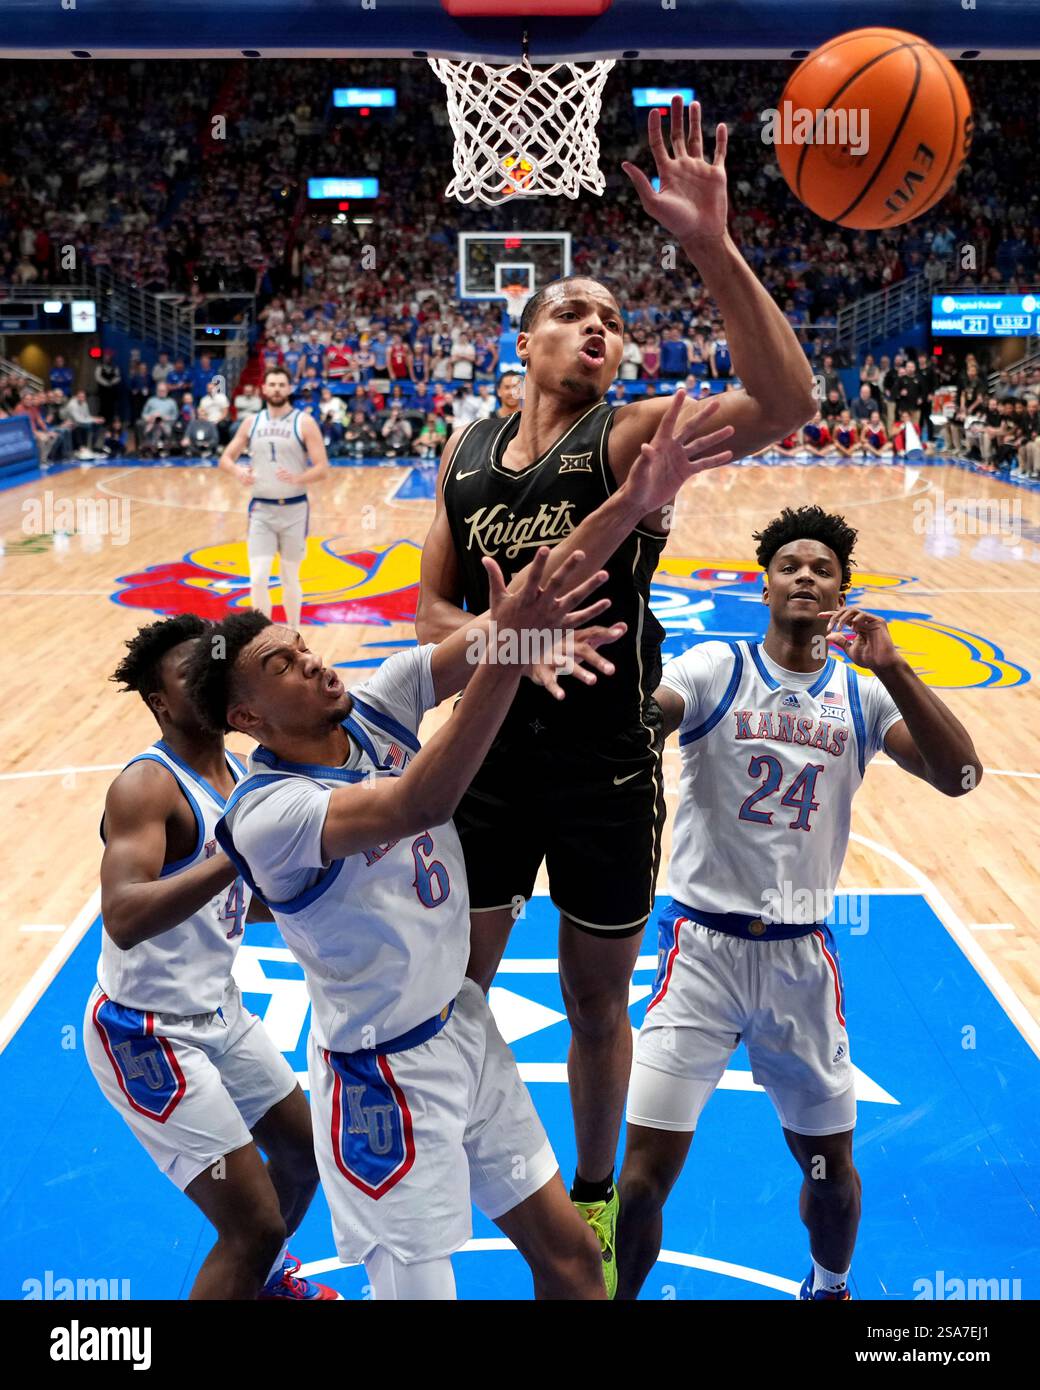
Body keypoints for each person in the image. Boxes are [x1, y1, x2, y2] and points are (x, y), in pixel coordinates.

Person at [415, 99, 814, 1294]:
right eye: (572, 313)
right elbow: (428, 617)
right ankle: (442, 1174)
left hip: (603, 768)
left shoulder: (636, 434)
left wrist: (710, 244)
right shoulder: (466, 452)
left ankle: (587, 1197)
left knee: (595, 995)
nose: (597, 328)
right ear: (523, 340)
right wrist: (503, 638)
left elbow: (784, 401)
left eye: (613, 321)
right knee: (455, 989)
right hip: (481, 762)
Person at [190, 554, 622, 1300]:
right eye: (283, 666)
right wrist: (510, 654)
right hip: (381, 1081)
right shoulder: (266, 814)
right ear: (248, 719)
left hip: (463, 1029)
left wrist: (634, 497)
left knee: (576, 1265)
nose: (313, 662)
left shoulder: (375, 704)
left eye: (303, 646)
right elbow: (421, 801)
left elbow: (503, 624)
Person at [615, 506, 981, 1301]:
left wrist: (896, 669)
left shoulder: (860, 694)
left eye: (822, 567)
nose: (806, 576)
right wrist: (631, 706)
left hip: (799, 962)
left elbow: (961, 777)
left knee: (831, 1173)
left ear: (843, 589)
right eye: (791, 565)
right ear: (766, 583)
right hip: (699, 954)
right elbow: (658, 712)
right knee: (639, 1183)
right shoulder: (719, 666)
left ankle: (829, 1285)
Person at [85, 616, 337, 1301]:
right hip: (145, 1033)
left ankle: (262, 1283)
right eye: (185, 672)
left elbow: (234, 896)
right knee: (249, 1225)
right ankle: (257, 1263)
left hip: (217, 1013)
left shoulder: (240, 773)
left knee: (304, 1155)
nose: (204, 676)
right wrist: (237, 856)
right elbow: (125, 914)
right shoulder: (147, 786)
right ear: (162, 702)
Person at [217, 366, 329, 632]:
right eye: (273, 384)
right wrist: (238, 470)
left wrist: (297, 477)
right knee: (257, 578)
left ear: (289, 389)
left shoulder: (303, 422)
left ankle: (294, 631)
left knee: (289, 577)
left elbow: (322, 468)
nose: (277, 389)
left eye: (282, 384)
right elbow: (224, 459)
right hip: (261, 511)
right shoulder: (251, 422)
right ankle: (264, 633)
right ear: (264, 389)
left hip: (294, 510)